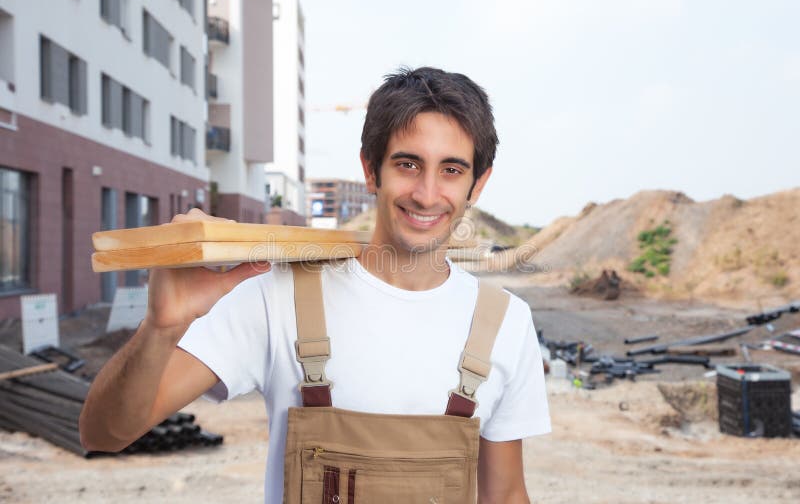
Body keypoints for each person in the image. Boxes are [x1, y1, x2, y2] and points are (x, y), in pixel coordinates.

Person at [80, 67, 550, 503]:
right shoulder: (277, 295)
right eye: (407, 164)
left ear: (478, 183)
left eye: (451, 170)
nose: (427, 194)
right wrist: (161, 327)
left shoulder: (504, 322)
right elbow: (104, 434)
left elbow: (505, 495)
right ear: (371, 170)